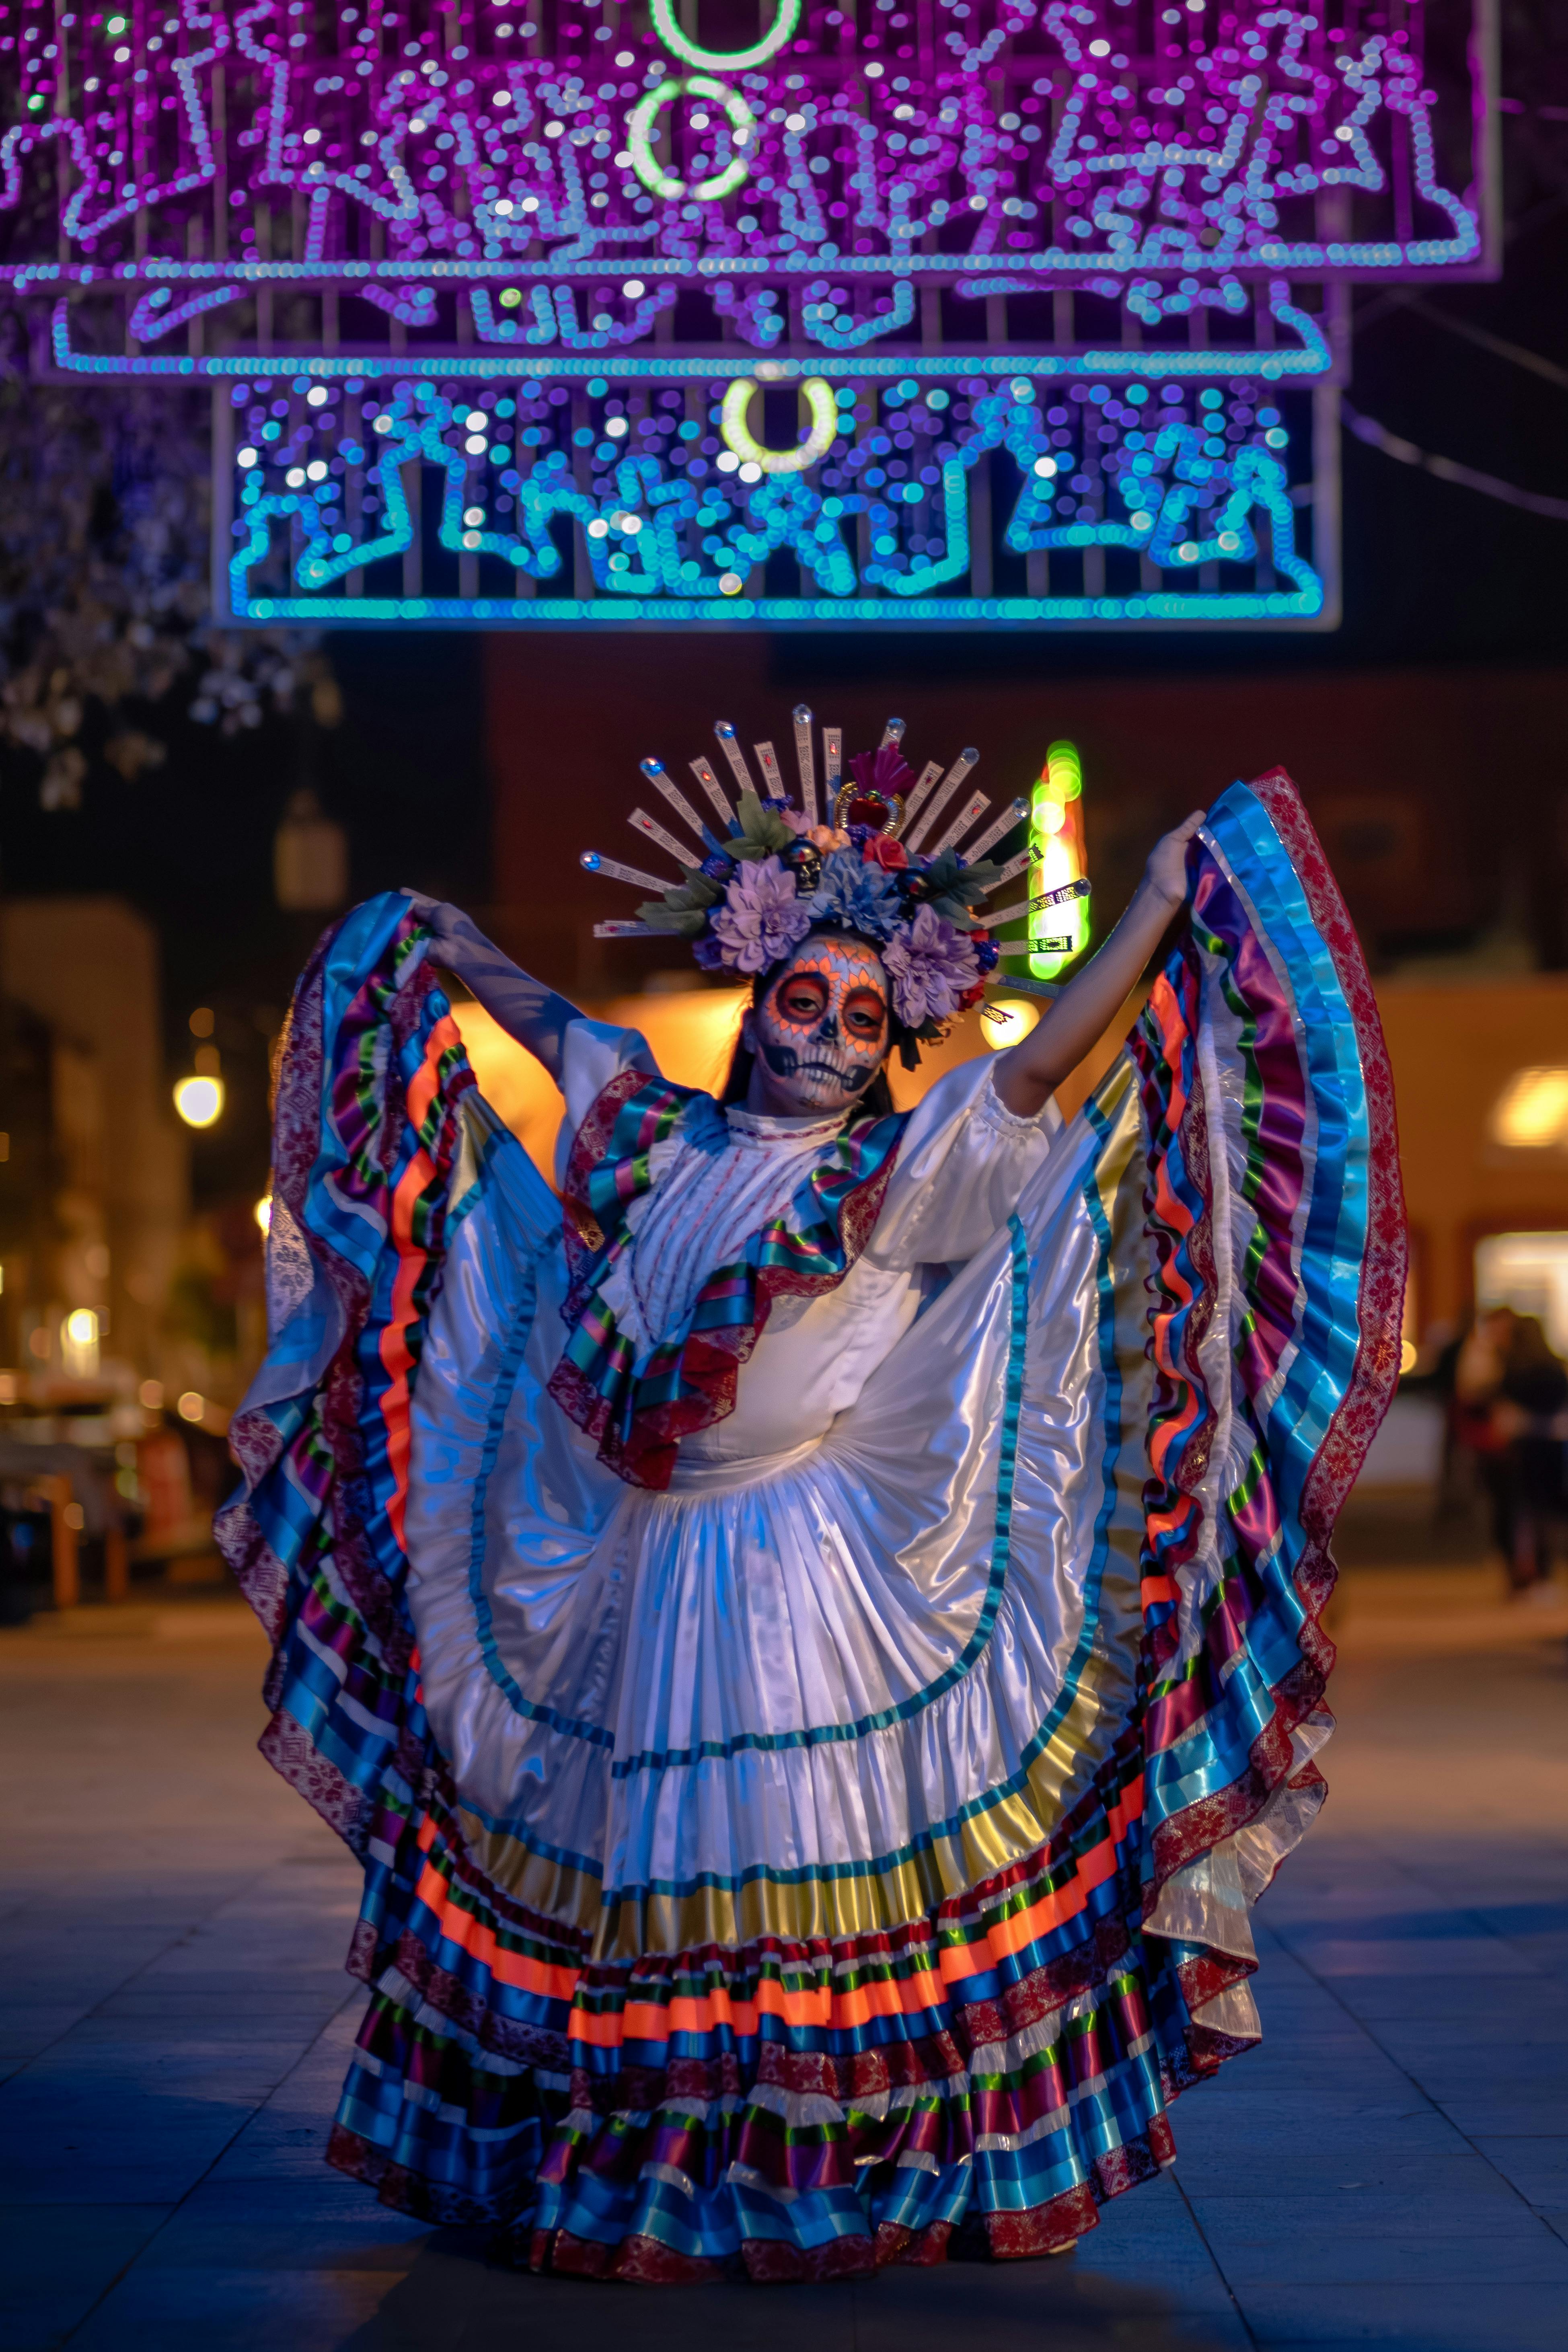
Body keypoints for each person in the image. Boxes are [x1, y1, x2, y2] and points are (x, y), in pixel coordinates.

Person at [218, 728, 1404, 2283]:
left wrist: (1156, 904)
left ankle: (825, 2172)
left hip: (802, 1576)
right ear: (756, 999)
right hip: (642, 1565)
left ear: (889, 1037)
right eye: (805, 1001)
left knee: (779, 1849)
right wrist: (452, 949)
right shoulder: (653, 1137)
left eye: (863, 1016)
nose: (831, 1037)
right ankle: (653, 2152)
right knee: (648, 1867)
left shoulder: (901, 1174)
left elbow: (1036, 1070)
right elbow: (559, 1029)